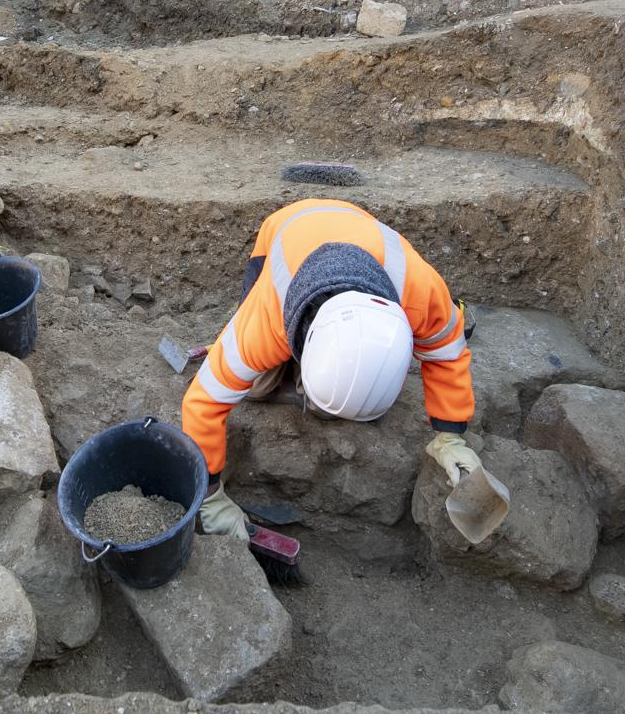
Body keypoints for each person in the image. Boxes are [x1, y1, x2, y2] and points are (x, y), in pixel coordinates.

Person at [180, 198, 478, 539]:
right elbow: (202, 402)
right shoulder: (265, 321)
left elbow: (448, 354)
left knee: (332, 403)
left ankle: (316, 389)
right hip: (287, 231)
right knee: (257, 386)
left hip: (360, 236)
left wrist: (450, 436)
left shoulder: (423, 295)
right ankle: (293, 377)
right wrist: (211, 496)